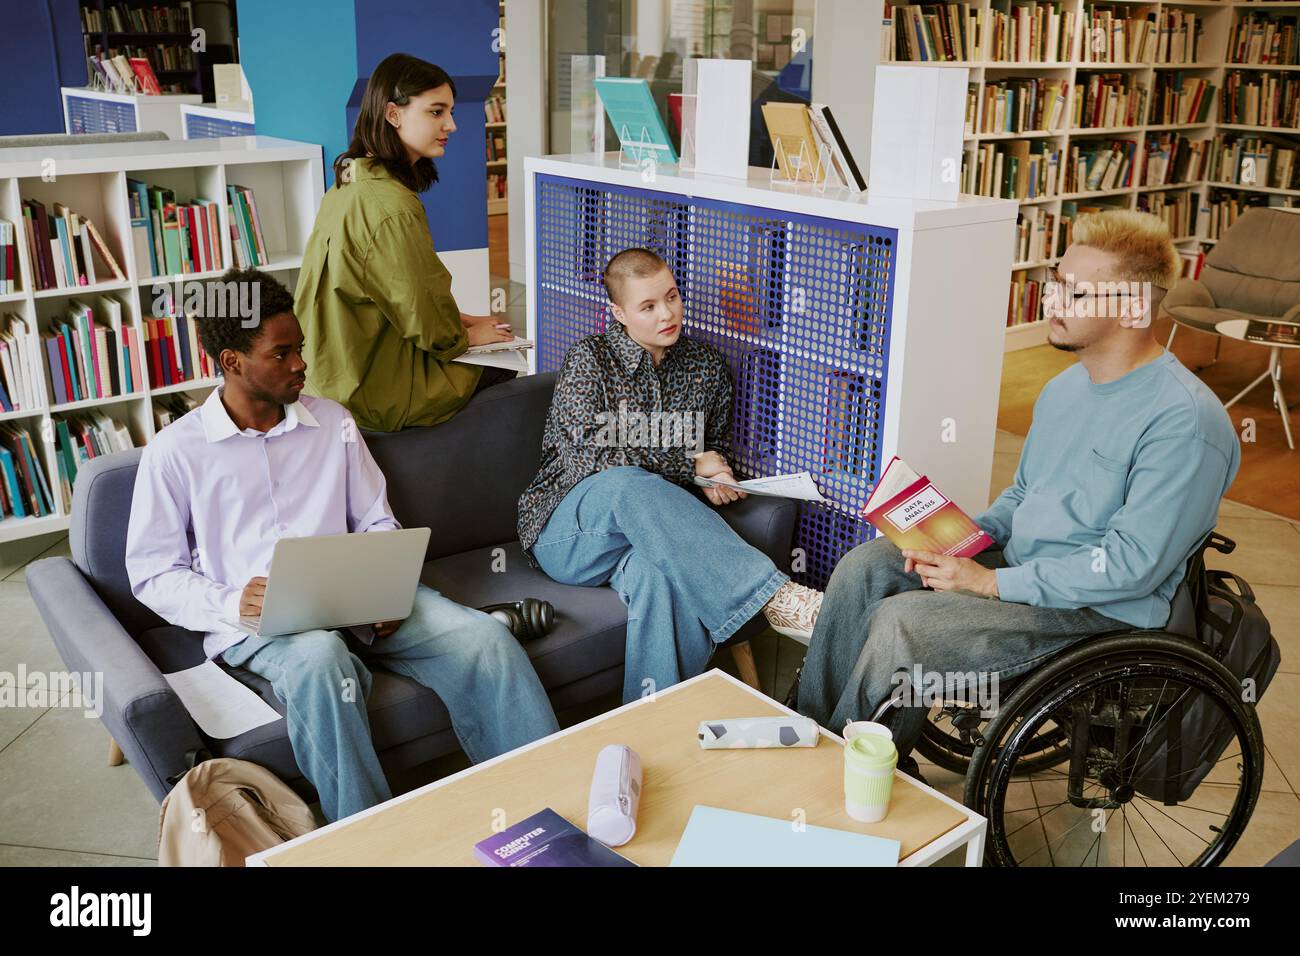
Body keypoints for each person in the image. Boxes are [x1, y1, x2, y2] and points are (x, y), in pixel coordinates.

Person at [797, 210, 1240, 778]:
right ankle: (808, 737)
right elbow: (1027, 493)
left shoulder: (1185, 423)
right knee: (866, 566)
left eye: (1075, 293)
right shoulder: (1065, 389)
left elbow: (1132, 567)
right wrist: (961, 540)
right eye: (1056, 283)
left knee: (906, 624)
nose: (1052, 302)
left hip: (1098, 613)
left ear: (1132, 307)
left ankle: (847, 779)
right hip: (1027, 575)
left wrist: (990, 582)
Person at [125, 269, 558, 822]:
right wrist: (232, 603)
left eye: (299, 349)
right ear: (232, 361)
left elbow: (377, 519)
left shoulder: (332, 423)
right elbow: (154, 574)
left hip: (361, 603)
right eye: (280, 355)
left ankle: (544, 811)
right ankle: (364, 842)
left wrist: (382, 585)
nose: (300, 364)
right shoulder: (176, 453)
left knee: (485, 643)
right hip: (262, 625)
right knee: (323, 660)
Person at [517, 248, 825, 704]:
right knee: (626, 481)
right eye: (648, 306)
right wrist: (689, 463)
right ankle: (775, 599)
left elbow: (707, 448)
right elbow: (592, 452)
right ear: (619, 313)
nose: (667, 313)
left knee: (661, 580)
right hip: (569, 529)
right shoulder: (590, 359)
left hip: (650, 532)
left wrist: (714, 473)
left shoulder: (706, 369)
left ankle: (650, 720)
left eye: (672, 297)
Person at [294, 53, 514, 433]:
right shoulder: (391, 207)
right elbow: (426, 321)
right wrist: (464, 338)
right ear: (393, 114)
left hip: (331, 374)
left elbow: (388, 293)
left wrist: (462, 321)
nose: (452, 125)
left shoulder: (349, 182)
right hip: (371, 389)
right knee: (504, 365)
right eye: (436, 112)